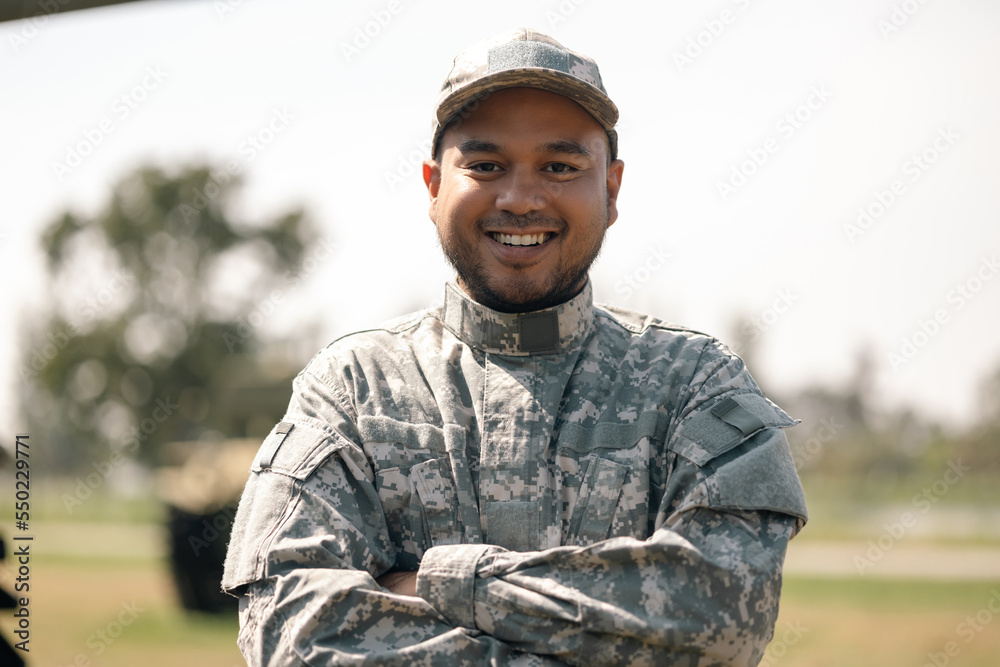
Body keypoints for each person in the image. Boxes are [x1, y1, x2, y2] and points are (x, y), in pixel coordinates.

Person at [222, 28, 808, 666]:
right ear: (432, 186)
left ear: (611, 191)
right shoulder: (351, 389)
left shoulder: (694, 385)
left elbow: (723, 616)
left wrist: (445, 585)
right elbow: (292, 636)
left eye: (559, 167)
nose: (521, 199)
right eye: (485, 166)